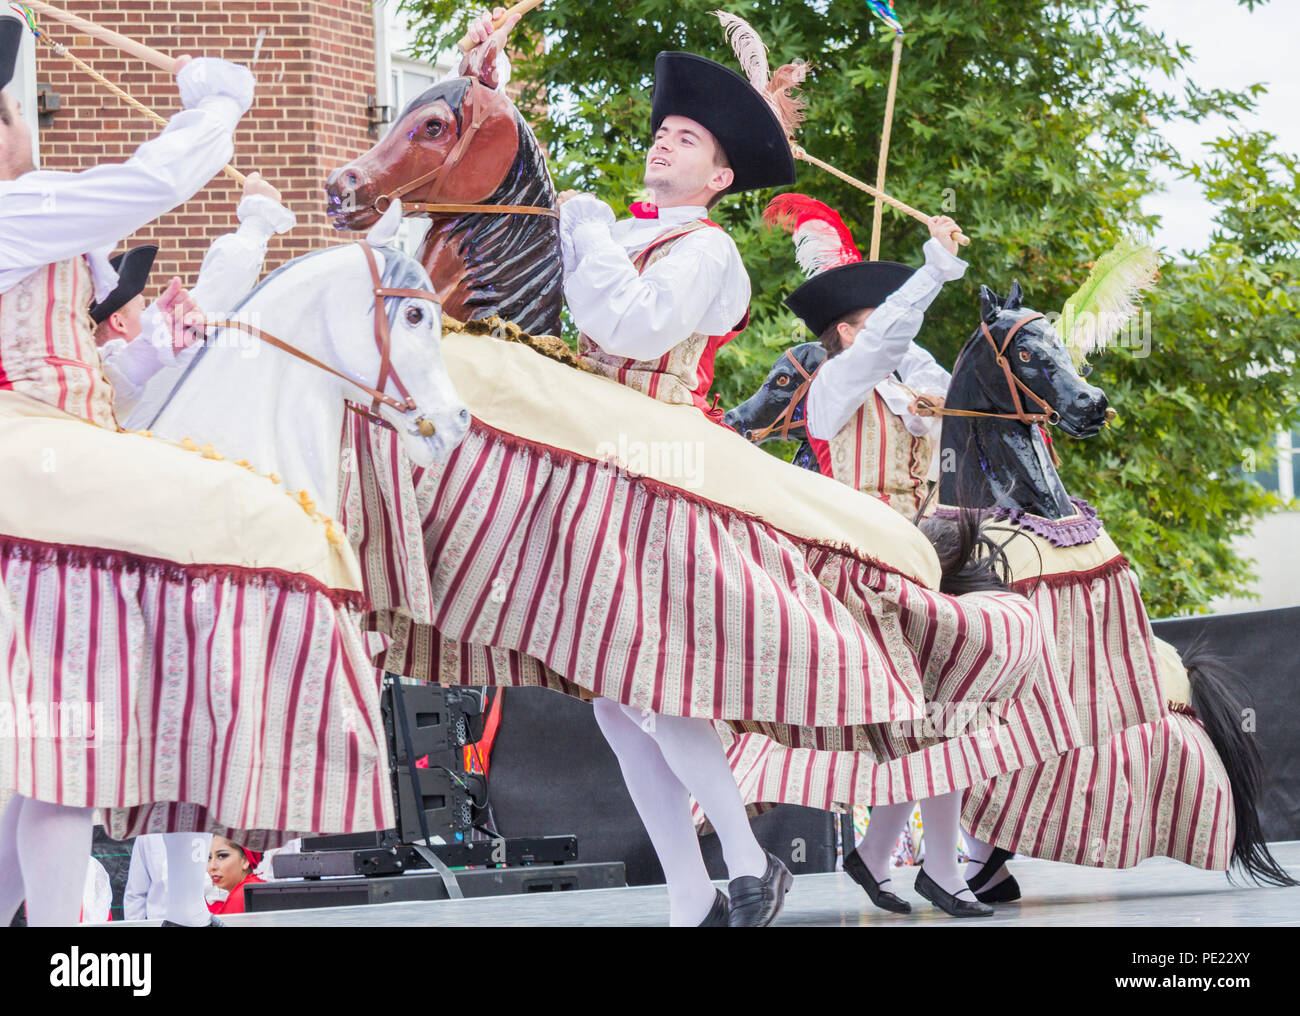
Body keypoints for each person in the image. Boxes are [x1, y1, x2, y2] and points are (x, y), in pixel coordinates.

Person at [481, 5, 805, 926]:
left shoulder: (708, 248)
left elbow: (629, 326)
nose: (663, 143)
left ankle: (746, 862)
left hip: (659, 467)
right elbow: (528, 226)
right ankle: (694, 890)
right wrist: (494, 90)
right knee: (619, 706)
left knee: (650, 685)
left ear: (722, 171)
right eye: (662, 131)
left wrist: (580, 228)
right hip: (597, 464)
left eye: (687, 136)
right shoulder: (616, 235)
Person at [0, 11, 271, 927]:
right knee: (59, 750)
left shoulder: (28, 227)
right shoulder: (10, 212)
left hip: (58, 489)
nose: (24, 126)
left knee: (46, 762)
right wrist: (218, 104)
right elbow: (146, 182)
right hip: (39, 504)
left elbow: (77, 374)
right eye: (12, 113)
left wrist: (151, 350)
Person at [768, 195, 991, 916]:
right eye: (873, 318)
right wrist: (932, 270)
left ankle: (903, 861)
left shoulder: (910, 390)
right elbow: (889, 344)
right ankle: (926, 867)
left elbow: (935, 377)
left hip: (924, 560)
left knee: (946, 713)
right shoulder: (835, 385)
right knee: (924, 718)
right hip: (859, 568)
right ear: (844, 332)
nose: (892, 334)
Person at [88, 171, 296, 426]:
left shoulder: (95, 383)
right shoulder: (131, 372)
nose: (152, 319)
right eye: (143, 310)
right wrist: (259, 217)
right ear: (118, 322)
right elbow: (217, 291)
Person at [206, 835, 263, 916]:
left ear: (245, 860)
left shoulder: (243, 895)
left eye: (222, 856)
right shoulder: (251, 889)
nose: (212, 866)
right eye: (209, 858)